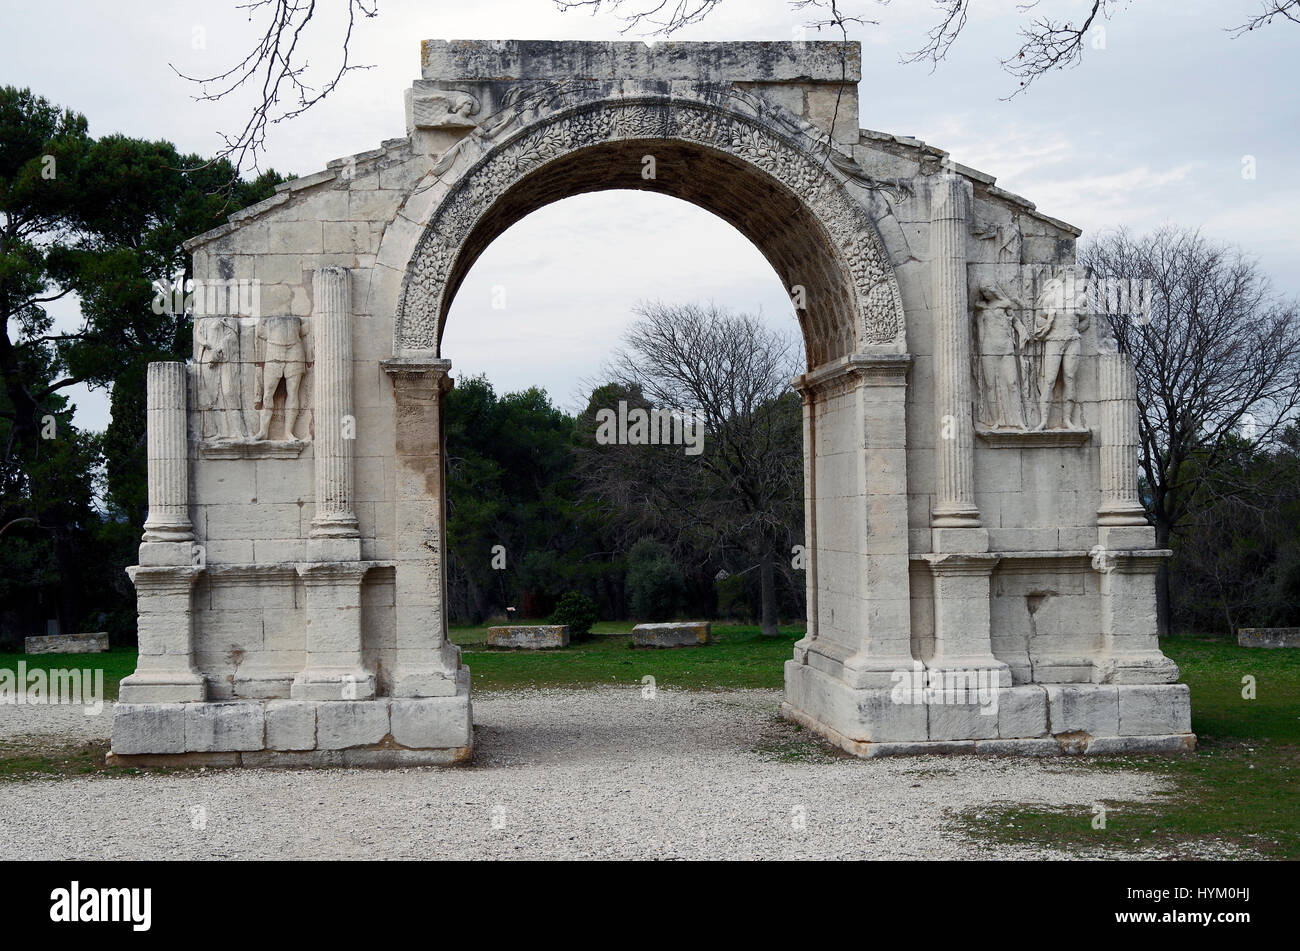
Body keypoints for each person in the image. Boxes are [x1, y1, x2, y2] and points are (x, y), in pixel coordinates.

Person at [254, 315, 308, 441]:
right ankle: (263, 431)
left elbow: (306, 328)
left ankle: (288, 432)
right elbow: (259, 331)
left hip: (295, 346)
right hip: (274, 347)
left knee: (293, 391)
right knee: (268, 393)